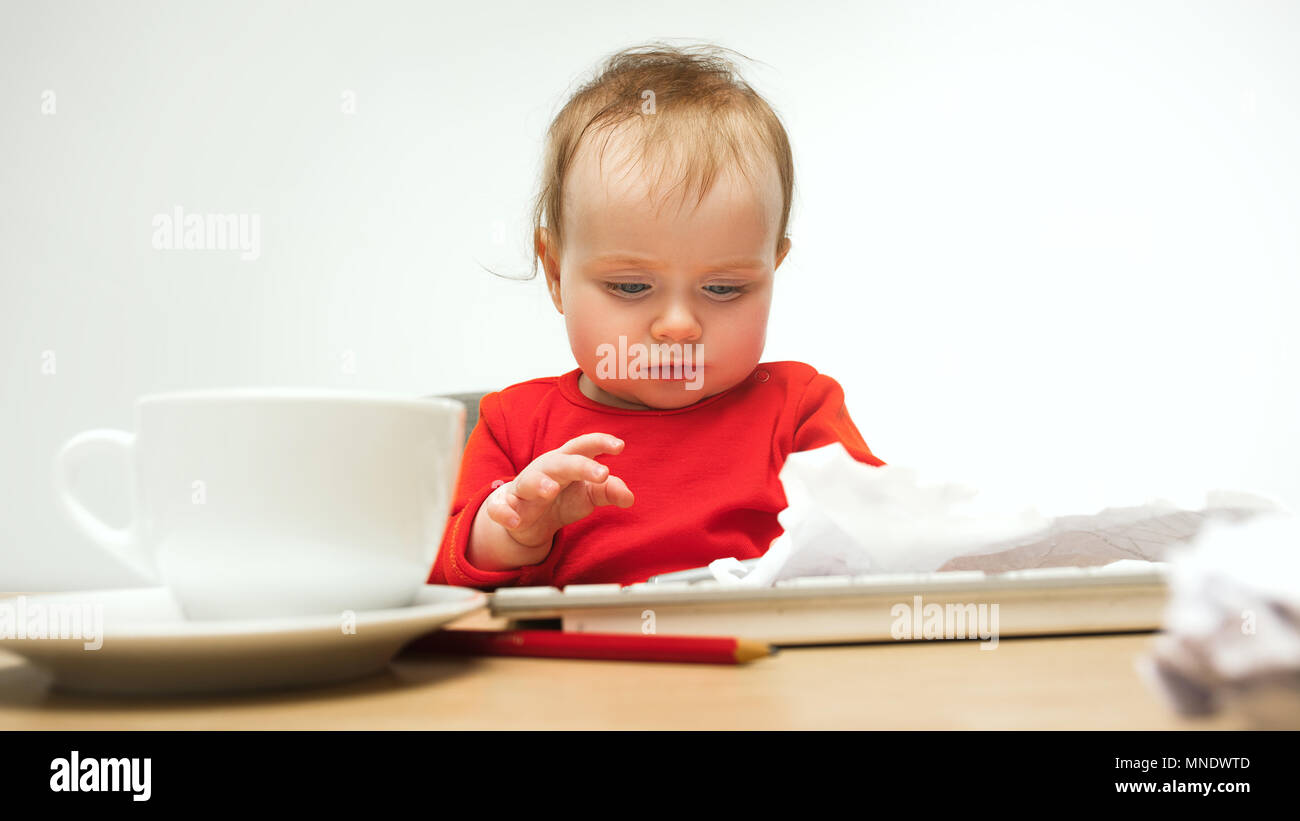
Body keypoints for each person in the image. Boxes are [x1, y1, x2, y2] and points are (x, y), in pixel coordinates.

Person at [429, 42, 885, 590]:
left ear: (772, 270)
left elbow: (883, 541)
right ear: (555, 274)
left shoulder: (799, 411)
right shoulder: (514, 426)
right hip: (573, 671)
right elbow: (438, 573)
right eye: (630, 286)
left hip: (760, 664)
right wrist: (514, 530)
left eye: (723, 287)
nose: (678, 326)